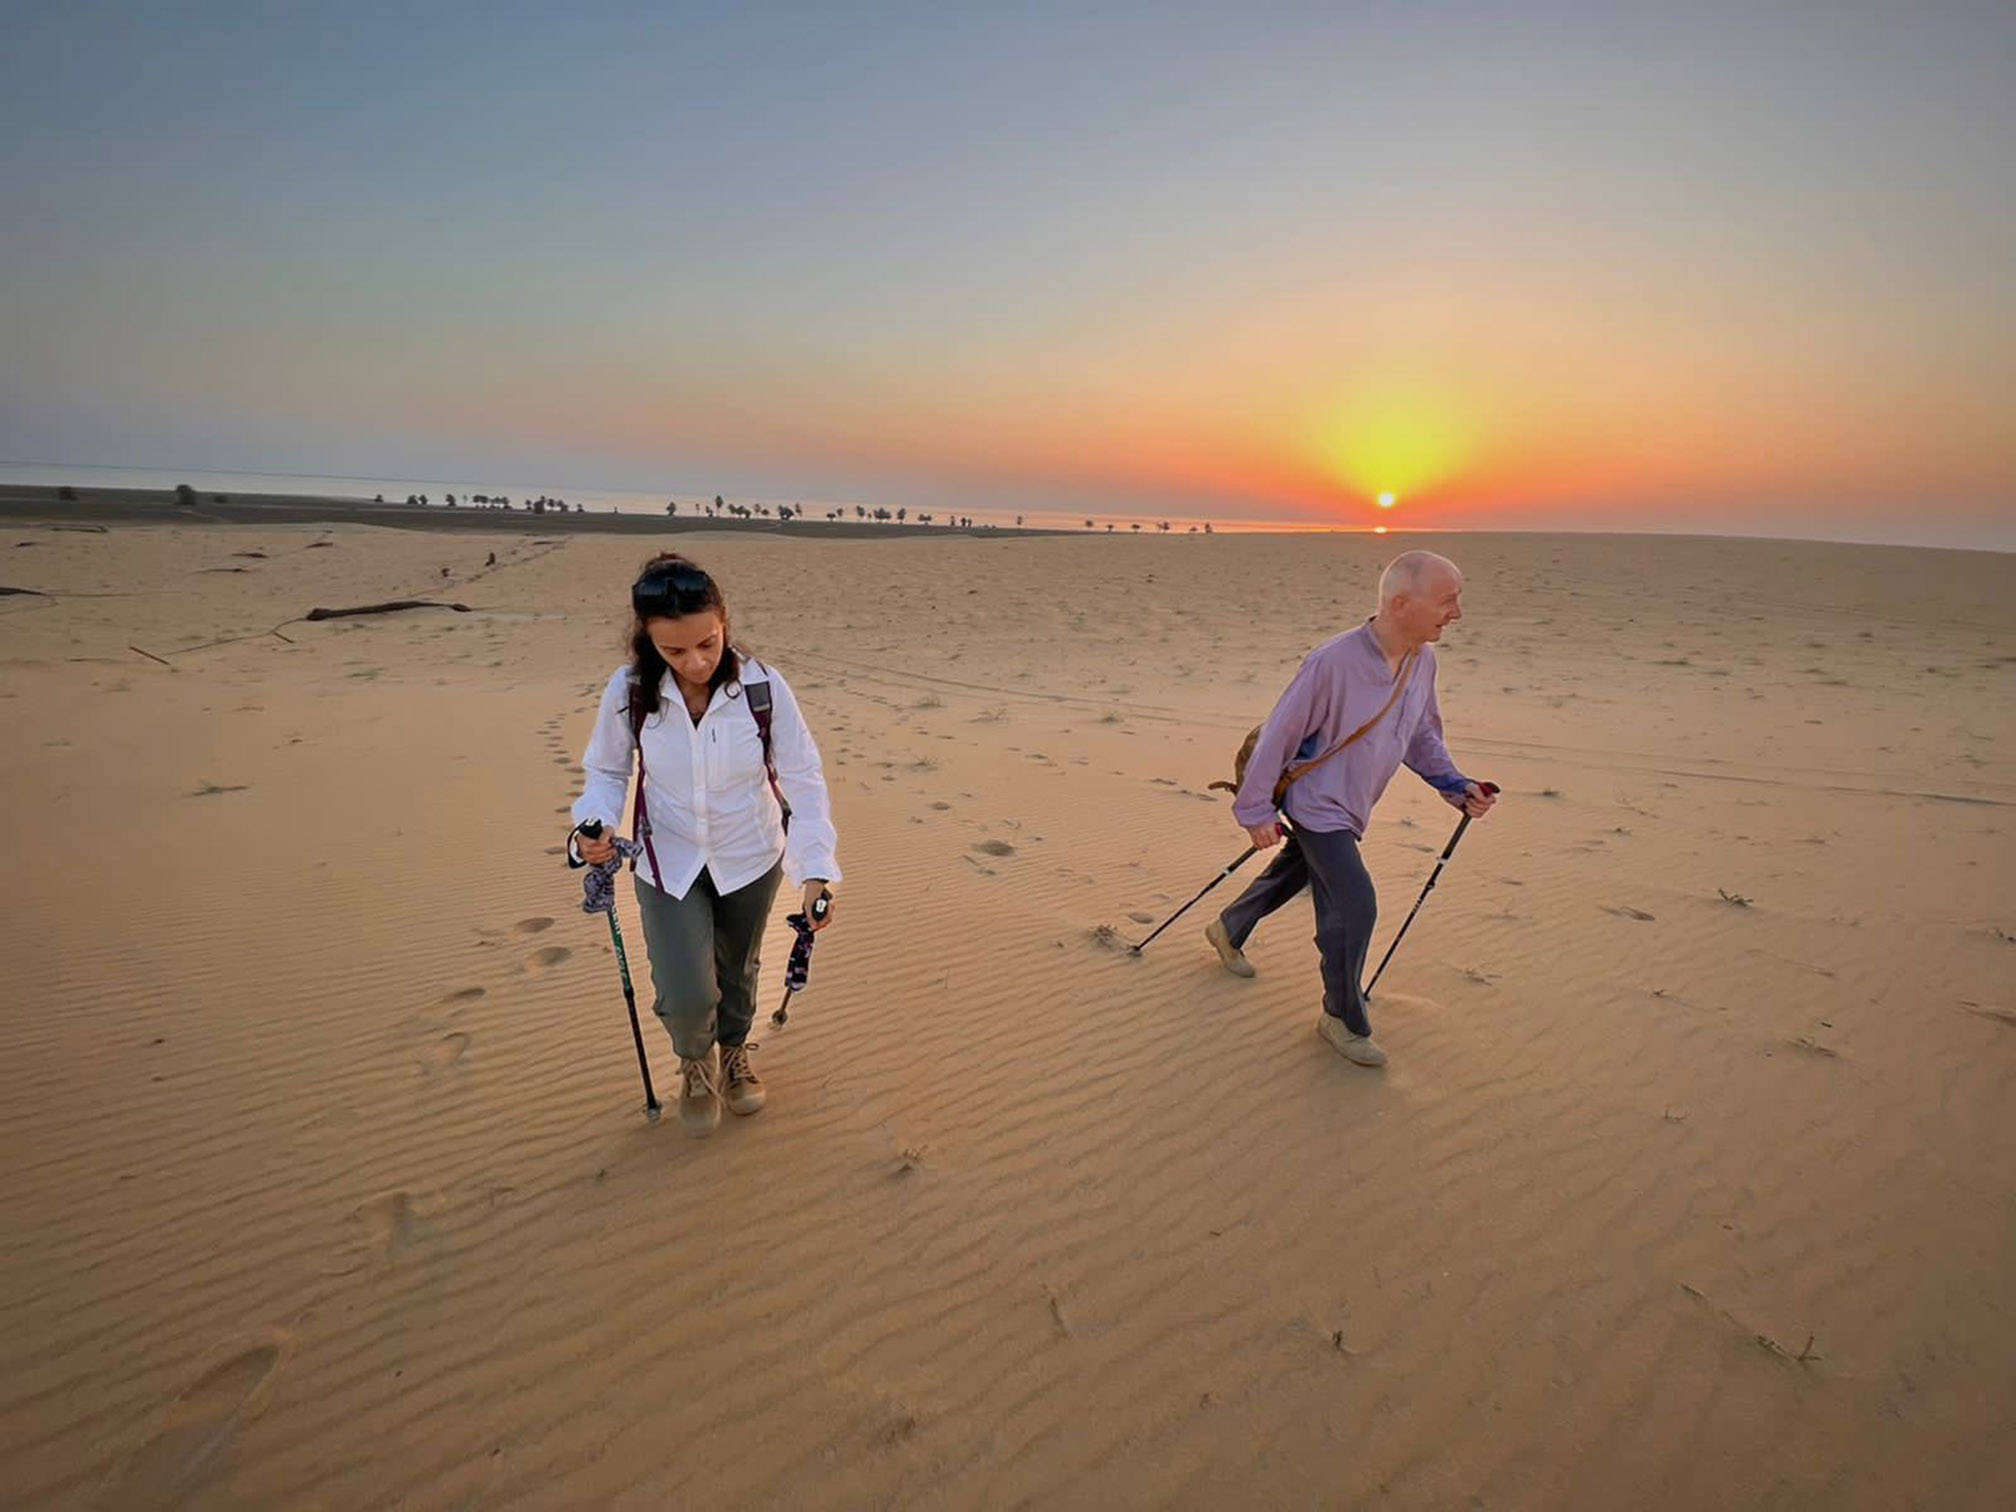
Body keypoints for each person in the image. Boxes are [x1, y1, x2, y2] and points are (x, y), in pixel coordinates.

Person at [571, 553, 840, 1134]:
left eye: (708, 643)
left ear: (724, 622)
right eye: (674, 651)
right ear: (648, 642)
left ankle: (734, 1054)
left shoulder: (764, 688)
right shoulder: (631, 691)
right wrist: (593, 823)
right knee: (687, 988)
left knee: (737, 971)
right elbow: (606, 772)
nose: (694, 662)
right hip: (665, 859)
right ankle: (694, 1062)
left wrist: (816, 869)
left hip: (752, 854)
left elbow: (802, 776)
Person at [1205, 551, 1496, 1068]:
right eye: (1447, 600)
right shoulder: (1332, 662)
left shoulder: (1421, 660)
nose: (1457, 612)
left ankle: (1229, 927)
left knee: (1300, 869)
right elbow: (1280, 736)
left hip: (1353, 803)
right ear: (1400, 603)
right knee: (1354, 904)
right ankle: (1341, 1017)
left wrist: (1457, 786)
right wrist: (1254, 812)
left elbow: (1421, 735)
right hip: (1319, 804)